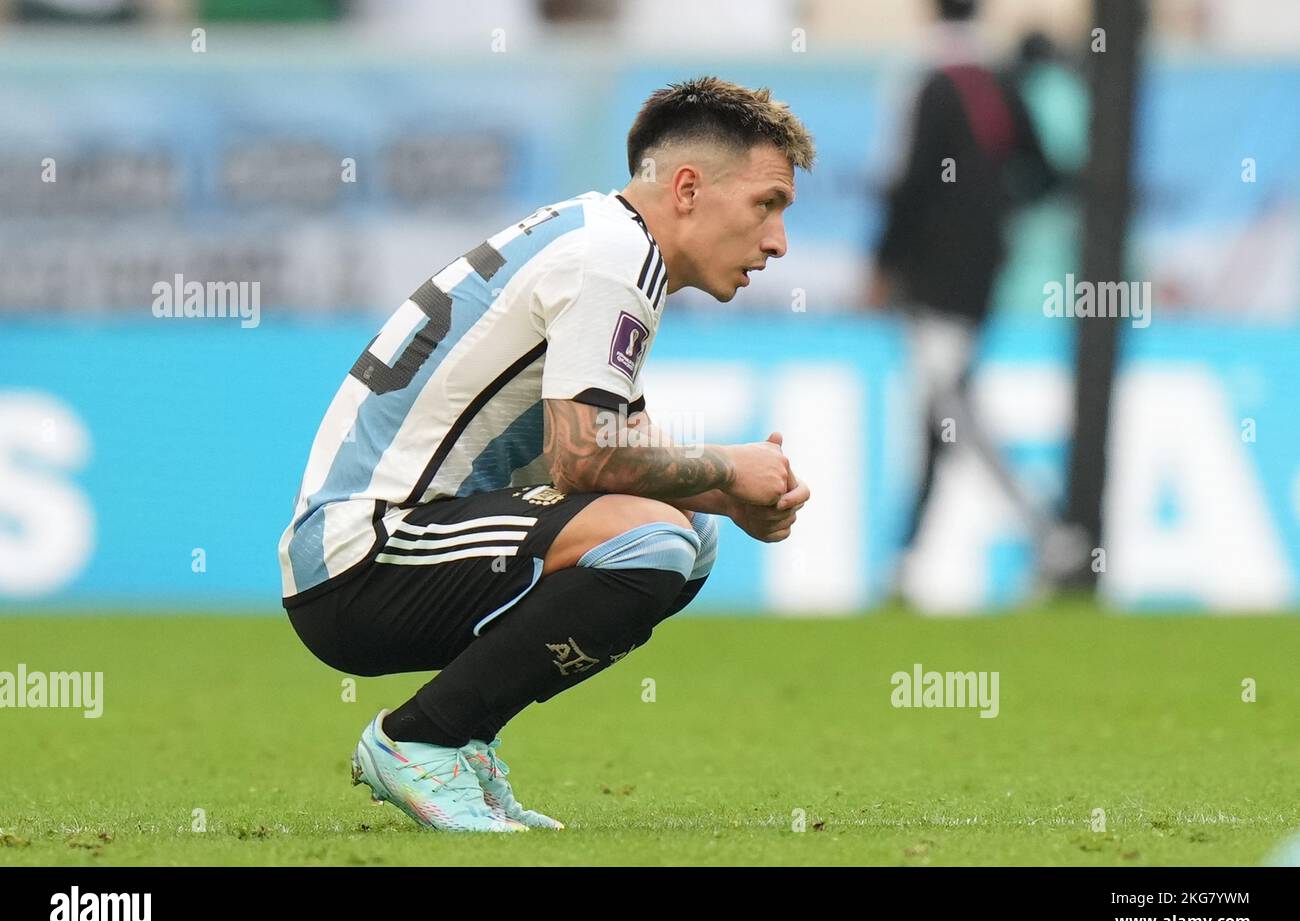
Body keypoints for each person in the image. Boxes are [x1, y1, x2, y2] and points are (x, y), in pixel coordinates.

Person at [279, 76, 815, 832]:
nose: (777, 242)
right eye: (768, 204)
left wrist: (733, 500)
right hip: (364, 559)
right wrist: (729, 469)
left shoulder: (605, 239)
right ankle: (419, 740)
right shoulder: (614, 256)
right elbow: (585, 461)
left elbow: (617, 445)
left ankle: (456, 738)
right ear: (688, 187)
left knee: (689, 537)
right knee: (652, 540)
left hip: (398, 549)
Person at [869, 0, 1084, 592]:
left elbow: (908, 184)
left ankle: (1049, 535)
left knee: (948, 408)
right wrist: (997, 216)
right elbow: (1048, 172)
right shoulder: (998, 83)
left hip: (931, 280)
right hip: (980, 276)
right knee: (943, 411)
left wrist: (882, 263)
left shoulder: (927, 82)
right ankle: (912, 561)